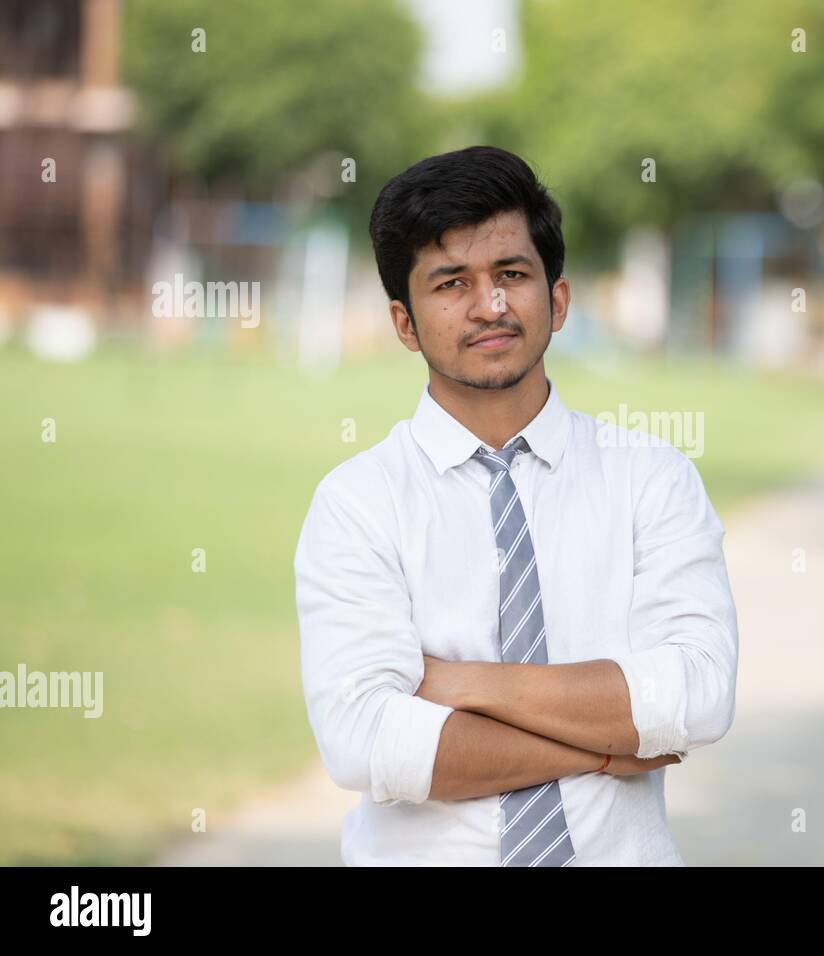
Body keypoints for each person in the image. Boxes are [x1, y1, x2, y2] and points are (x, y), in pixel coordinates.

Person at [293, 146, 739, 866]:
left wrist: (463, 684)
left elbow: (696, 697)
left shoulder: (651, 479)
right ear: (404, 324)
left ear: (556, 300)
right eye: (451, 283)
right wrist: (600, 749)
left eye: (511, 275)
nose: (490, 306)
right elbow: (365, 740)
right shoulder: (358, 504)